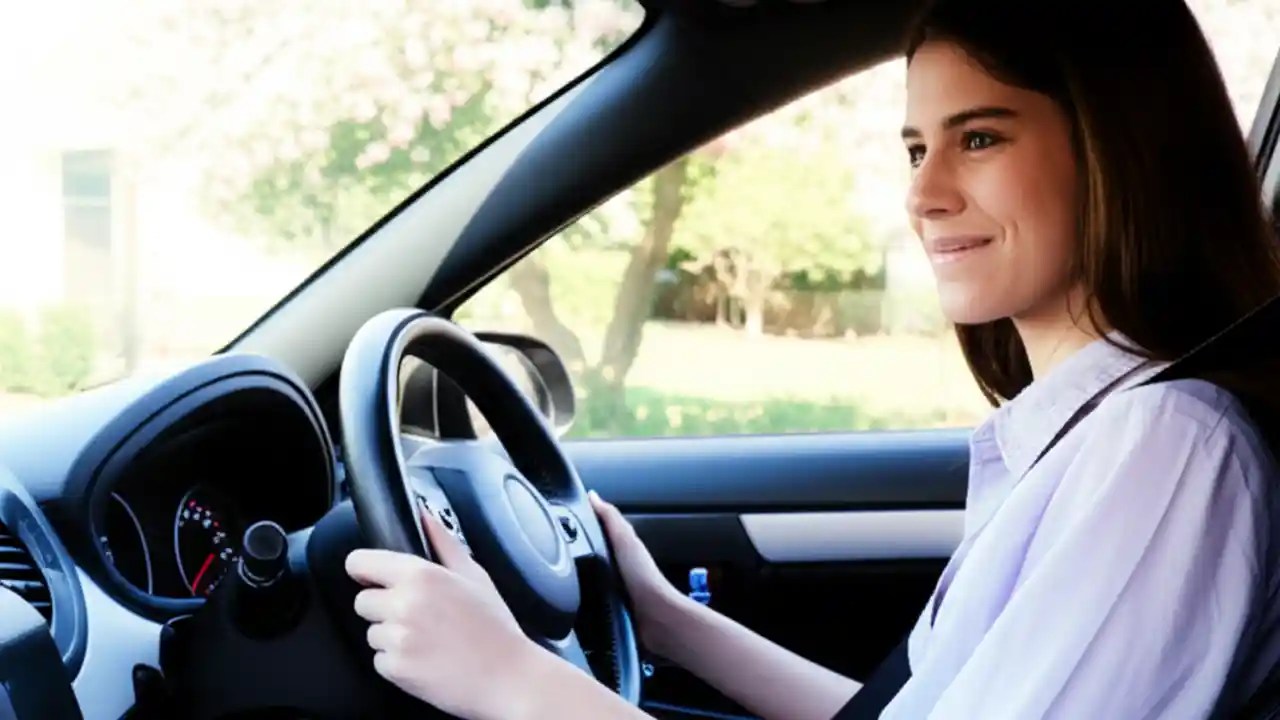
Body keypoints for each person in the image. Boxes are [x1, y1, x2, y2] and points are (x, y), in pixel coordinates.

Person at [343, 0, 1280, 717]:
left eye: (980, 138)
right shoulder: (1090, 436)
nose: (923, 194)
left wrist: (514, 682)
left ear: (1119, 152)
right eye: (916, 148)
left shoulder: (1166, 449)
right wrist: (673, 622)